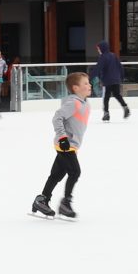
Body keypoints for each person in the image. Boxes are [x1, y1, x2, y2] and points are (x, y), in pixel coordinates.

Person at [30, 70, 90, 219]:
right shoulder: (74, 103)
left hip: (72, 145)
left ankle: (42, 200)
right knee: (75, 172)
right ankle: (66, 203)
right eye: (85, 83)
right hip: (65, 144)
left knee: (57, 174)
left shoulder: (84, 103)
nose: (89, 85)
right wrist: (63, 137)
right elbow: (57, 118)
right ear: (75, 88)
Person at [93, 40, 128, 120]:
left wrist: (89, 77)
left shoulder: (102, 57)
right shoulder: (114, 55)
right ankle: (125, 107)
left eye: (98, 49)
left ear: (102, 48)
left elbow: (98, 69)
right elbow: (120, 67)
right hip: (116, 80)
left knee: (106, 97)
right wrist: (121, 77)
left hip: (107, 80)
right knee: (117, 94)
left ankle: (106, 113)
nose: (98, 51)